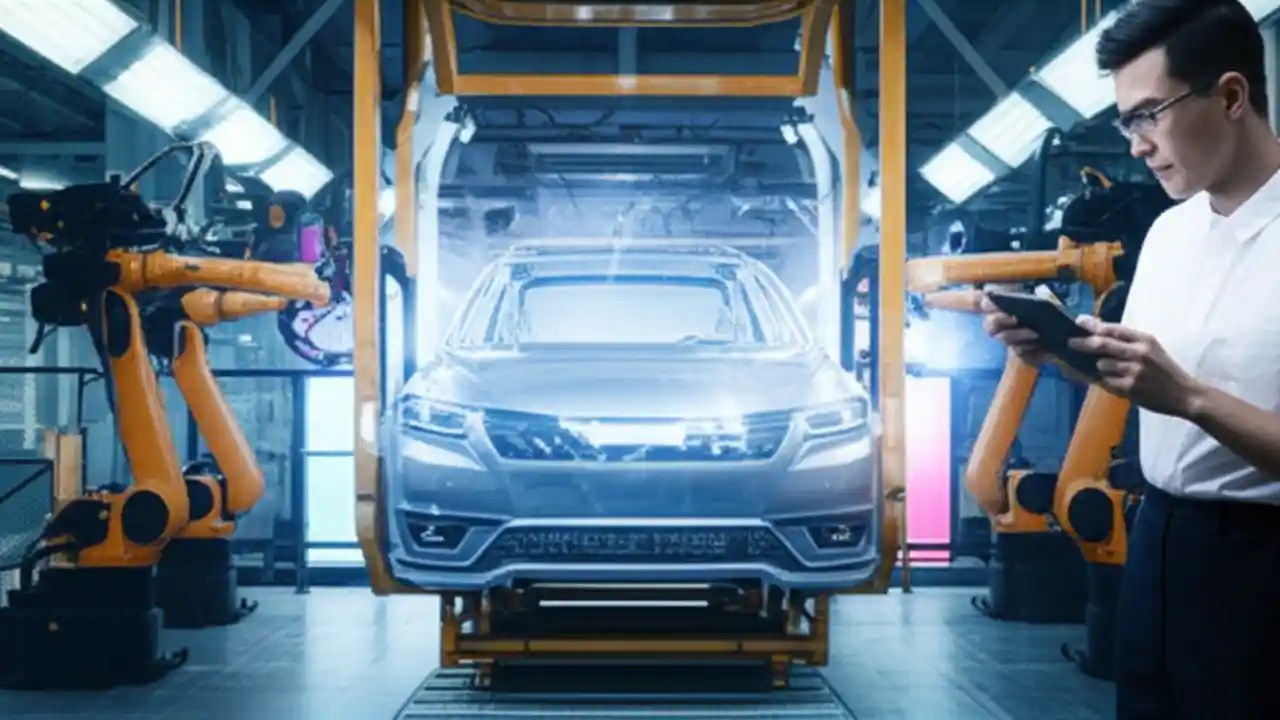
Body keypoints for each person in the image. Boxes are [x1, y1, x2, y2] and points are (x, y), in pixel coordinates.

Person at [980, 0, 1280, 717]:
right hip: (1158, 544)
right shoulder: (1171, 233)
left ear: (1232, 96)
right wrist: (1064, 353)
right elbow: (1148, 384)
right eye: (1127, 122)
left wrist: (1190, 398)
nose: (1137, 144)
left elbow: (1179, 393)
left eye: (1151, 113)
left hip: (1264, 566)